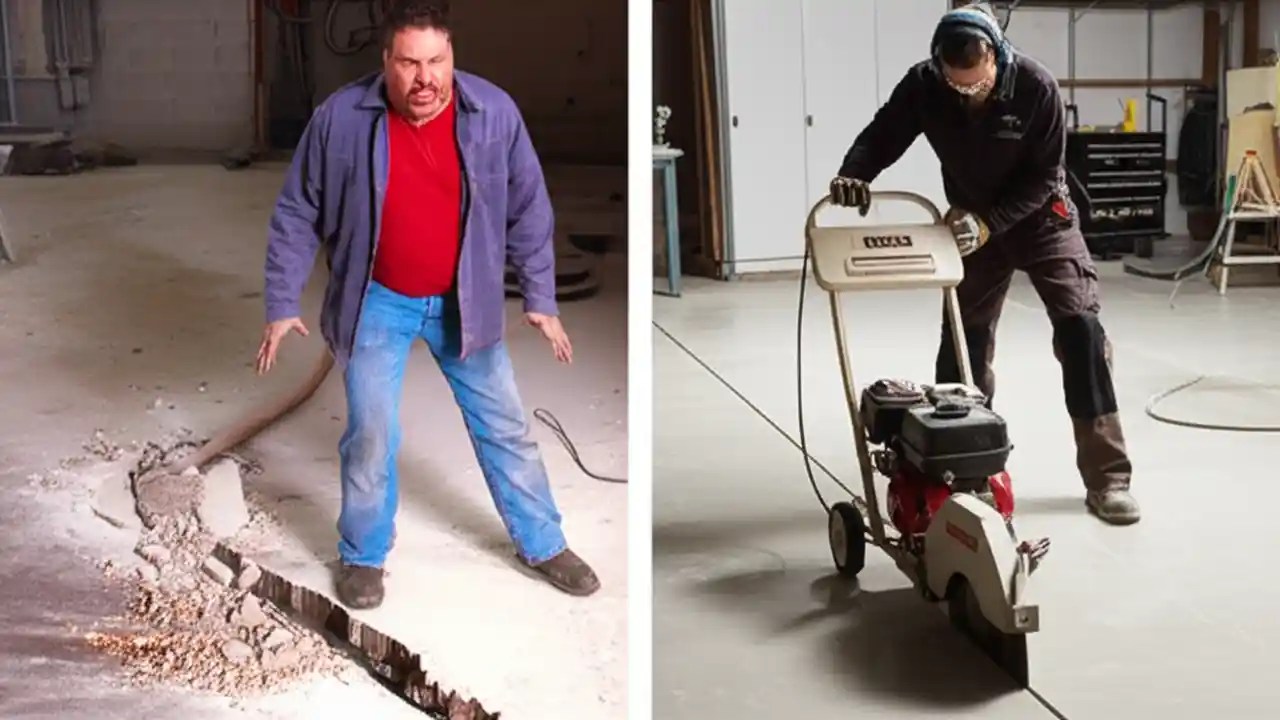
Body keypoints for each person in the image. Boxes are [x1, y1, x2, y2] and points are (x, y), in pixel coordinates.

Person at [255, 0, 601, 609]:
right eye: (409, 63)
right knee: (371, 434)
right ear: (385, 61)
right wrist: (282, 302)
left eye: (436, 61)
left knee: (505, 427)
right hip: (376, 301)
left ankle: (544, 543)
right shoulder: (341, 118)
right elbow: (298, 210)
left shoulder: (493, 113)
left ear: (452, 55)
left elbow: (529, 206)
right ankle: (363, 555)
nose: (425, 78)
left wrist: (541, 296)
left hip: (465, 301)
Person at [828, 4, 1140, 525]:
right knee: (961, 344)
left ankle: (1109, 479)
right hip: (973, 224)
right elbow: (884, 133)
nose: (968, 93)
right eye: (957, 85)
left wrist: (991, 222)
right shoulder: (925, 86)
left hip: (1042, 221)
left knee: (1081, 331)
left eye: (977, 84)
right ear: (939, 67)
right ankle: (958, 471)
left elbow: (1045, 176)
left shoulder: (1037, 87)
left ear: (997, 57)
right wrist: (854, 172)